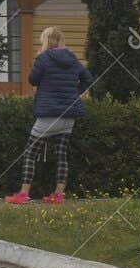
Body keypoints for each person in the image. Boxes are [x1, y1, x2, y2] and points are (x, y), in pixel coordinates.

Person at [7, 27, 93, 206]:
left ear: (46, 40)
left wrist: (39, 60)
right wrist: (73, 93)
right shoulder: (72, 58)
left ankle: (23, 194)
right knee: (61, 155)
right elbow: (88, 79)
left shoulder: (44, 58)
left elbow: (32, 80)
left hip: (48, 114)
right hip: (69, 114)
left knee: (30, 154)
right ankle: (58, 195)